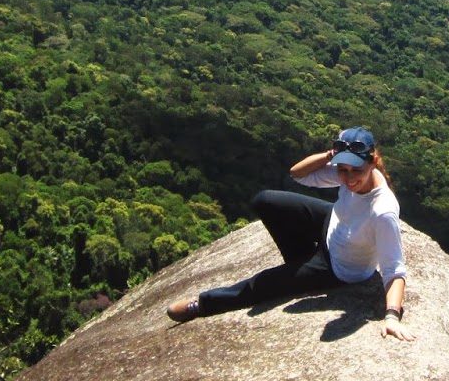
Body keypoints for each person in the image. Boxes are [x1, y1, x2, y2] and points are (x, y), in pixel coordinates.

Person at [168, 127, 417, 342]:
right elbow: (298, 174)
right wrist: (330, 156)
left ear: (373, 162)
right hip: (332, 224)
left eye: (355, 170)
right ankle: (300, 260)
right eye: (343, 170)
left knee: (265, 283)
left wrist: (392, 316)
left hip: (338, 267)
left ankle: (203, 304)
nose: (349, 178)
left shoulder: (382, 210)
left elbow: (394, 270)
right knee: (265, 201)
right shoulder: (354, 170)